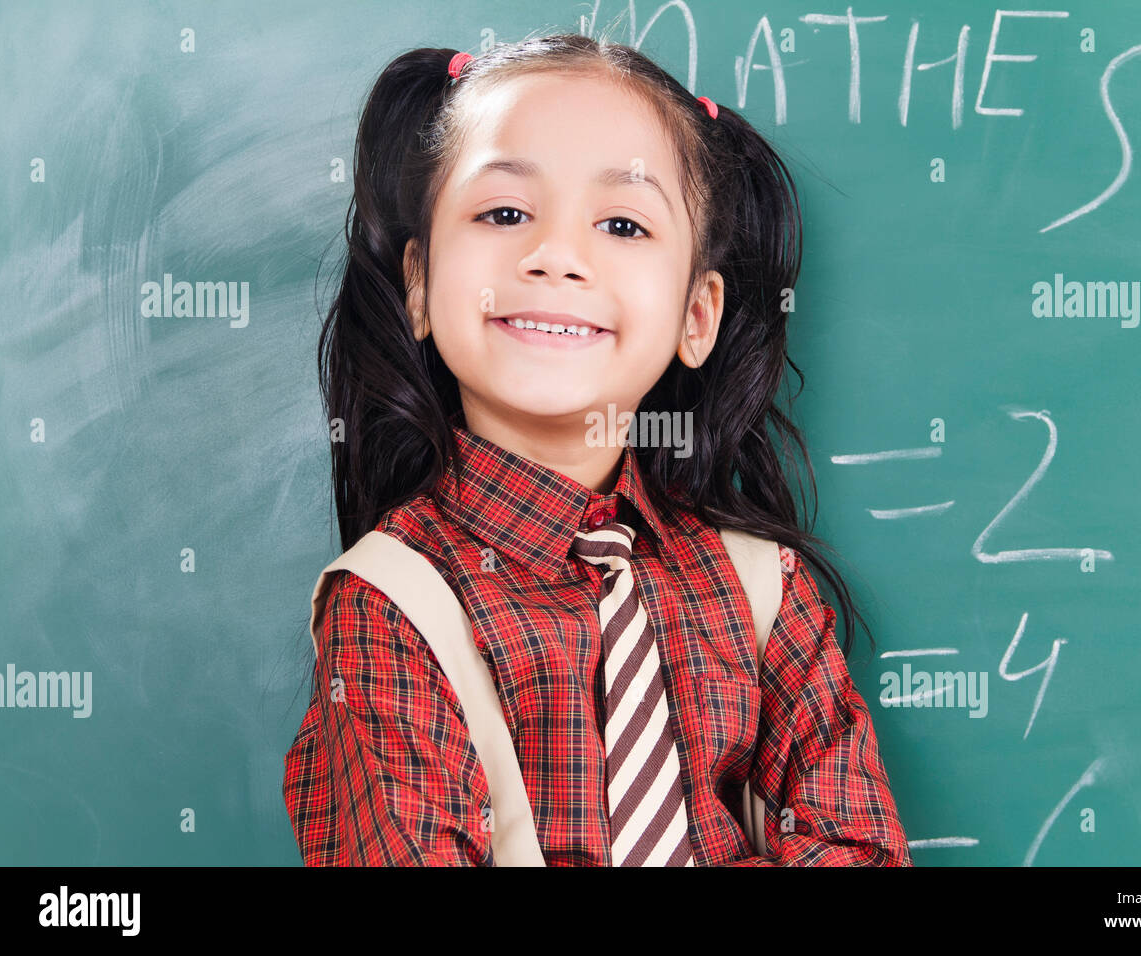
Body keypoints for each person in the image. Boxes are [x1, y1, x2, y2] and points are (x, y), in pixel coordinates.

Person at [283, 33, 912, 866]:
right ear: (422, 285)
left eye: (622, 223)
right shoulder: (391, 604)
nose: (555, 257)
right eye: (504, 213)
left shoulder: (764, 591)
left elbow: (861, 848)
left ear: (697, 316)